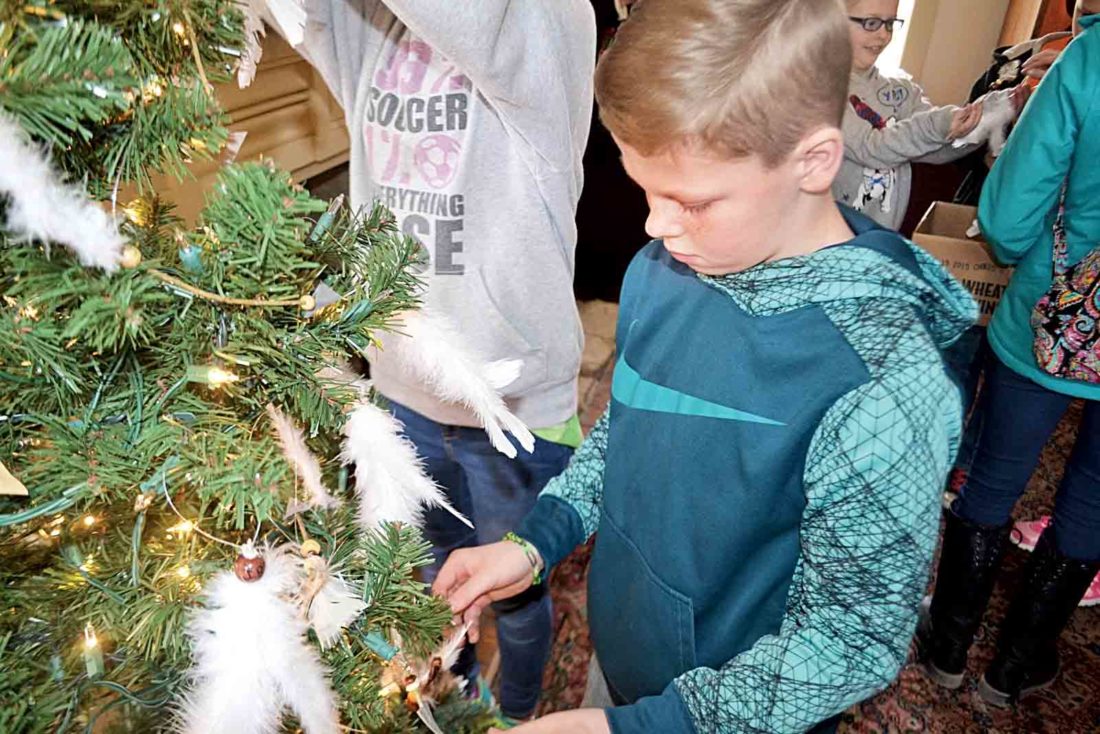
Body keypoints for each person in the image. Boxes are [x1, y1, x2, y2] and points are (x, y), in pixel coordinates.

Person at [432, 1, 977, 732]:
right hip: (624, 657)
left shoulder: (884, 383)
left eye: (690, 200)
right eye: (646, 189)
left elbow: (850, 642)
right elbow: (626, 431)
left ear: (814, 160)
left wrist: (637, 728)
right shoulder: (665, 264)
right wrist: (536, 543)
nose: (655, 225)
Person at [264, 0, 597, 721]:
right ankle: (459, 701)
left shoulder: (552, 19)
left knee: (518, 593)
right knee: (433, 582)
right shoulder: (366, 27)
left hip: (514, 412)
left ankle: (517, 714)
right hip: (401, 394)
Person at [916, 2, 1100, 706]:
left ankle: (950, 647)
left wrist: (1034, 255)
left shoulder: (1086, 61)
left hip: (1048, 317)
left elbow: (1008, 216)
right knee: (1093, 503)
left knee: (994, 477)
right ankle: (1018, 666)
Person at [835, 0, 1001, 230]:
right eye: (872, 23)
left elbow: (934, 150)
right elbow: (872, 148)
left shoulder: (903, 92)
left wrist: (979, 124)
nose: (884, 35)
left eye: (891, 24)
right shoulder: (823, 91)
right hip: (827, 242)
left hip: (879, 236)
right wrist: (942, 124)